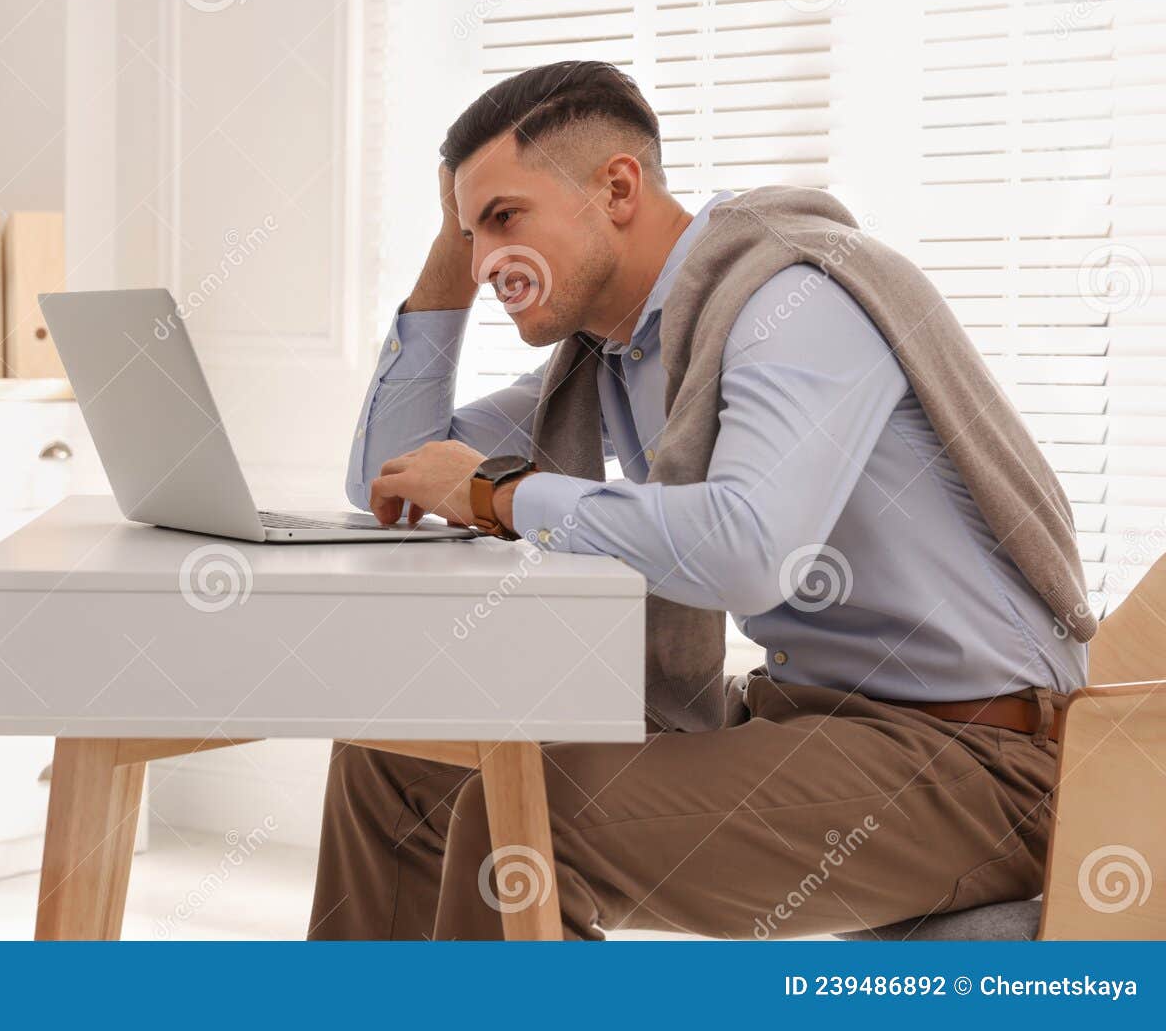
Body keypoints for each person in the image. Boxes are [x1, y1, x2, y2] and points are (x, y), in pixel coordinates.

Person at [308, 60, 1091, 940]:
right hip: (799, 716)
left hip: (978, 759)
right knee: (392, 757)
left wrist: (499, 493)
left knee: (522, 821)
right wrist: (451, 247)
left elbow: (750, 549)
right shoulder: (616, 358)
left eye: (505, 219)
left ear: (616, 189)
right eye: (470, 235)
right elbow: (392, 476)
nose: (489, 263)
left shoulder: (792, 301)